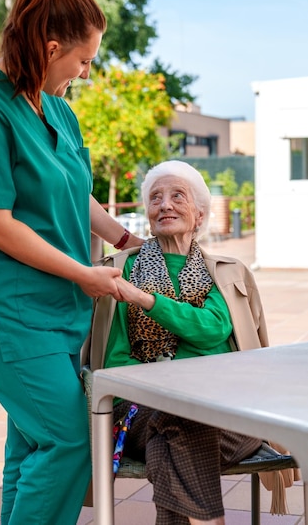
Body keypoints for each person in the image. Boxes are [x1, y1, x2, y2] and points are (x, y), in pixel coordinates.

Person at [0, 0, 143, 525]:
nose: (84, 73)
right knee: (69, 441)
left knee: (30, 450)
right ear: (51, 47)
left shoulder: (57, 108)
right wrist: (85, 274)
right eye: (83, 60)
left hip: (61, 313)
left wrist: (130, 241)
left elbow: (76, 193)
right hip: (10, 314)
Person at [104, 160, 269, 525]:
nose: (165, 205)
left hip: (229, 414)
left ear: (199, 216)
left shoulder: (222, 273)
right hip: (142, 411)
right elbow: (115, 358)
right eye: (156, 198)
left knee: (169, 447)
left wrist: (148, 301)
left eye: (178, 196)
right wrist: (167, 389)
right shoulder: (125, 271)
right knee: (177, 412)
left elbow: (212, 328)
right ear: (147, 215)